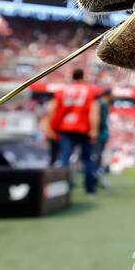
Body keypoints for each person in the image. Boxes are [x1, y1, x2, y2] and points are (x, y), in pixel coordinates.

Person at [44, 68, 100, 196]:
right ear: (83, 77)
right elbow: (94, 111)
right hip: (84, 128)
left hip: (66, 128)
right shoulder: (89, 90)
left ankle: (63, 188)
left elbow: (52, 109)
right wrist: (94, 130)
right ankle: (90, 189)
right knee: (87, 159)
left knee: (64, 158)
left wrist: (50, 127)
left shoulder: (62, 90)